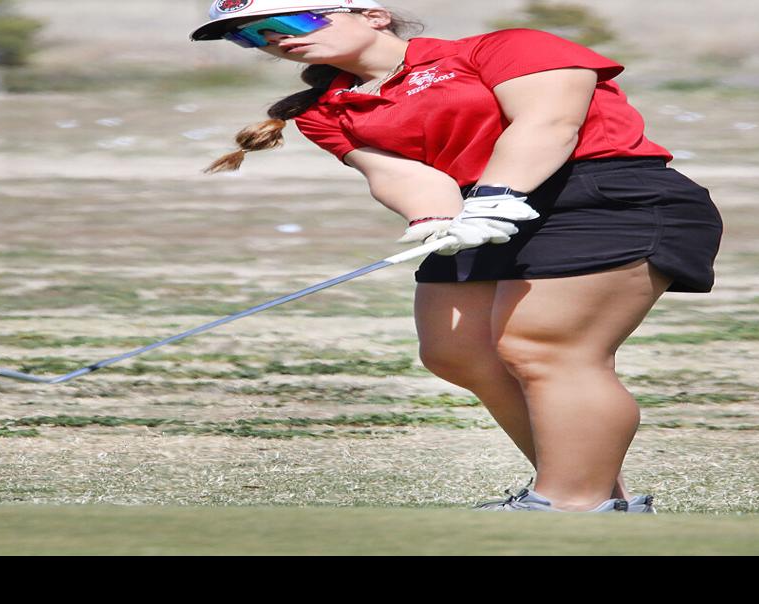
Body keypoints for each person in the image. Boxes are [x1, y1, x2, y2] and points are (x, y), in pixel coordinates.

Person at [191, 0, 723, 513]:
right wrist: (434, 219)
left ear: (373, 15)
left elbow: (548, 124)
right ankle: (597, 495)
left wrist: (499, 196)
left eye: (287, 19)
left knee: (543, 348)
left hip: (599, 193)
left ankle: (571, 502)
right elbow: (396, 173)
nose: (274, 38)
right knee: (456, 352)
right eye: (250, 35)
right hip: (479, 208)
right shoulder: (325, 109)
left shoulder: (510, 46)